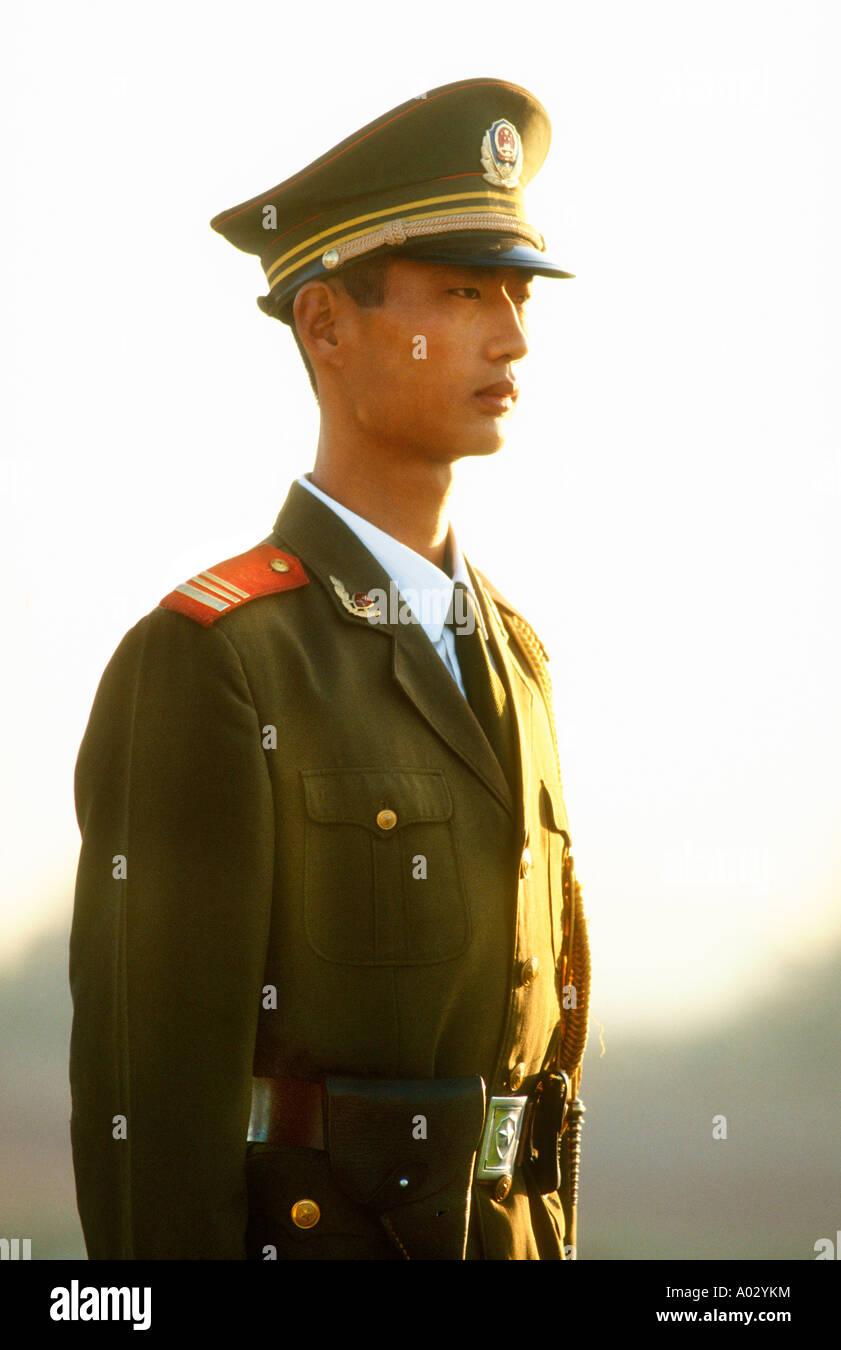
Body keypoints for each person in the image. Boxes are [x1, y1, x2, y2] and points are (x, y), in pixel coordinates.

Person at [68, 76, 591, 1261]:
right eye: (462, 293)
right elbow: (153, 1118)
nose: (512, 336)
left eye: (516, 295)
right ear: (324, 325)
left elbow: (536, 1093)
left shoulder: (516, 661)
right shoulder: (216, 662)